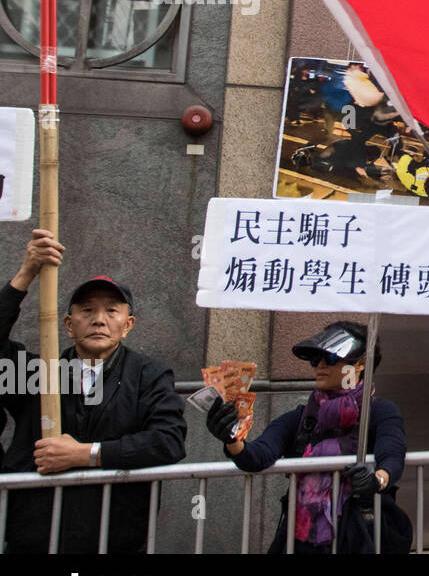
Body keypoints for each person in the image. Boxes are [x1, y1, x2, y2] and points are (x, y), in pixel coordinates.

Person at [0, 229, 187, 553]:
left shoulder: (148, 376)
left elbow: (167, 441)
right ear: (69, 325)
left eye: (111, 311)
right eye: (87, 311)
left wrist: (86, 454)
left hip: (114, 539)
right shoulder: (38, 375)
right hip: (36, 537)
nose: (99, 320)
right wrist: (25, 273)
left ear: (127, 324)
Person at [207, 320, 408, 554]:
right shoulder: (303, 416)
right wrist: (231, 439)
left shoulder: (380, 411)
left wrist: (376, 479)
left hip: (357, 534)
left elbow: (392, 454)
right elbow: (257, 455)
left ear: (361, 363)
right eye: (315, 359)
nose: (319, 366)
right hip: (303, 537)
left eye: (331, 358)